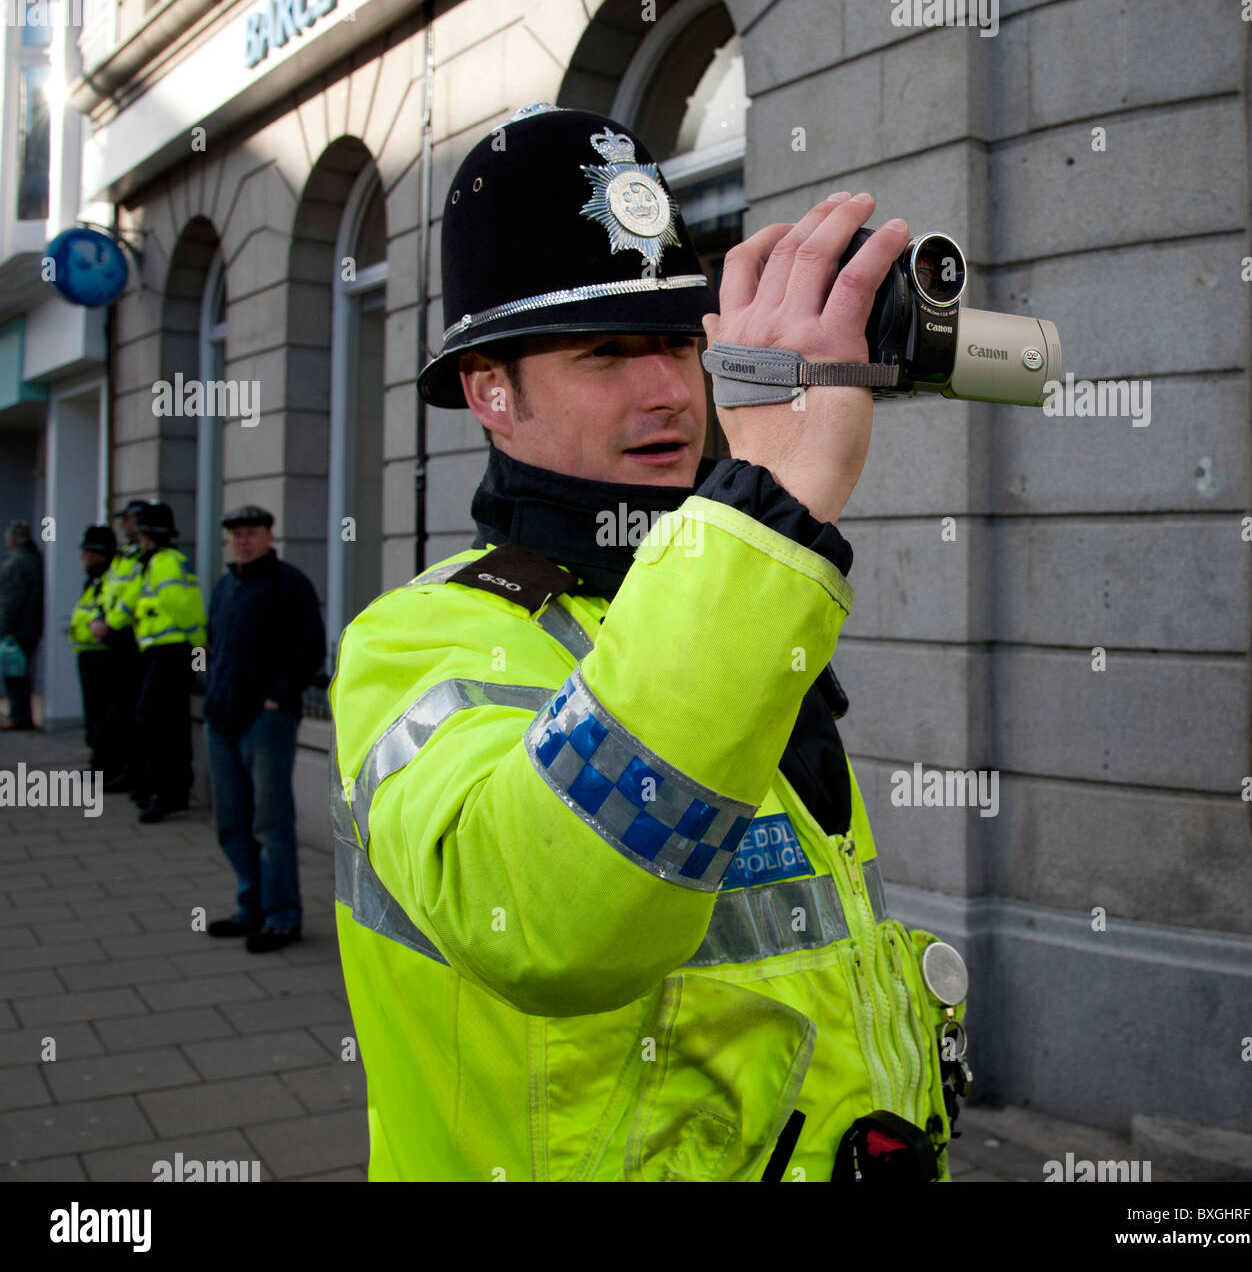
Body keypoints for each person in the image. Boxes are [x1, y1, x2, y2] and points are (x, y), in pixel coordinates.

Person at [329, 105, 970, 1182]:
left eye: (679, 342)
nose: (672, 390)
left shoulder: (737, 593)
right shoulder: (421, 637)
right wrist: (763, 511)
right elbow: (551, 923)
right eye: (608, 353)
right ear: (490, 391)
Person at [203, 505, 325, 953]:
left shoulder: (289, 585)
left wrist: (277, 697)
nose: (243, 541)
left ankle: (282, 916)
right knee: (231, 823)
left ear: (269, 537)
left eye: (251, 533)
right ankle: (249, 907)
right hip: (221, 720)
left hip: (265, 721)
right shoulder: (225, 587)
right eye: (236, 534)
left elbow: (310, 646)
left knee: (270, 823)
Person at [130, 503, 206, 823]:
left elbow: (180, 605)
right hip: (165, 653)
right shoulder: (159, 561)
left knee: (159, 724)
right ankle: (164, 791)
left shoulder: (164, 562)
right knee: (165, 724)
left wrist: (198, 643)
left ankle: (167, 793)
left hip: (171, 652)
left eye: (142, 533)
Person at [92, 500, 148, 802]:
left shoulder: (144, 556)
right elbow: (111, 590)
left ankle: (130, 772)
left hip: (130, 639)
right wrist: (101, 617)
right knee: (114, 710)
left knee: (128, 711)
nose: (123, 525)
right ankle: (120, 769)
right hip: (115, 638)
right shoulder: (124, 555)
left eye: (126, 519)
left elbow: (133, 595)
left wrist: (109, 623)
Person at [68, 525, 125, 786]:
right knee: (95, 715)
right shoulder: (93, 580)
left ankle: (108, 767)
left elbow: (106, 615)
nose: (82, 557)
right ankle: (99, 764)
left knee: (104, 716)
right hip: (90, 653)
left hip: (102, 655)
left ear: (97, 554)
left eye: (86, 552)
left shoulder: (106, 579)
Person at [0, 520, 44, 731]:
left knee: (14, 673)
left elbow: (10, 599)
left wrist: (4, 627)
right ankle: (21, 715)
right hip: (31, 626)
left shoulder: (15, 563)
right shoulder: (36, 558)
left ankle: (18, 716)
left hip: (17, 629)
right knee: (23, 672)